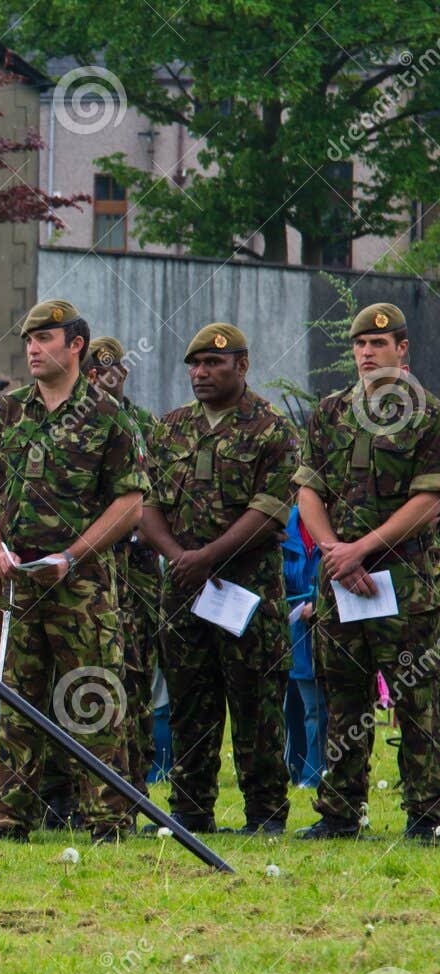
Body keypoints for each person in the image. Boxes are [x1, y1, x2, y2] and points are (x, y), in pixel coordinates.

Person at [0, 300, 148, 843]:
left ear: (76, 345)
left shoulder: (109, 415)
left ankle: (106, 819)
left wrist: (72, 555)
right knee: (15, 699)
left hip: (83, 586)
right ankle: (7, 817)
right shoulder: (8, 410)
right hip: (18, 580)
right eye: (28, 339)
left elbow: (130, 504)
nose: (32, 348)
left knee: (91, 695)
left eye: (45, 338)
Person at [138, 323, 295, 834]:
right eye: (195, 365)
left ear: (241, 366)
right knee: (189, 702)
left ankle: (265, 814)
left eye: (214, 364)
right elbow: (149, 504)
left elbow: (270, 511)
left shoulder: (272, 427)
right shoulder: (170, 427)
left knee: (257, 703)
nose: (201, 373)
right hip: (183, 589)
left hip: (247, 591)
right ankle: (190, 810)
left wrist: (207, 555)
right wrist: (178, 556)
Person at [294, 302, 440, 842]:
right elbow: (308, 490)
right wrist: (336, 551)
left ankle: (428, 815)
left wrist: (362, 550)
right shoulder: (330, 412)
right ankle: (339, 813)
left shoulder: (429, 415)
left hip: (405, 582)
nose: (365, 353)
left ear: (402, 349)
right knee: (343, 696)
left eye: (377, 344)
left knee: (418, 698)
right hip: (341, 585)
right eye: (358, 345)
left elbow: (429, 501)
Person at [282, 507, 326, 787]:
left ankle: (313, 774)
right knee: (293, 707)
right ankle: (296, 769)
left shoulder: (334, 523)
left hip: (328, 629)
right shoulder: (286, 525)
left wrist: (319, 602)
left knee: (316, 708)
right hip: (291, 631)